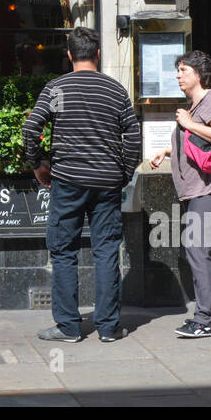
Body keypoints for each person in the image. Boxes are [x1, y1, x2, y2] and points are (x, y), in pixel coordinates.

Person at [23, 26, 142, 343]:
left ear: (69, 55)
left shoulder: (57, 89)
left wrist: (39, 167)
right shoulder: (115, 91)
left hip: (68, 181)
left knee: (63, 253)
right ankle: (107, 328)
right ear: (98, 55)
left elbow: (31, 129)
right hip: (106, 182)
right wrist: (124, 173)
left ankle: (69, 327)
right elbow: (133, 139)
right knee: (106, 252)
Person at [148, 50, 211, 338]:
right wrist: (168, 150)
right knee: (210, 251)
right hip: (203, 189)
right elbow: (199, 144)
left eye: (184, 70)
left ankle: (205, 320)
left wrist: (187, 124)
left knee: (199, 250)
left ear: (199, 74)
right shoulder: (198, 103)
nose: (178, 75)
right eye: (178, 70)